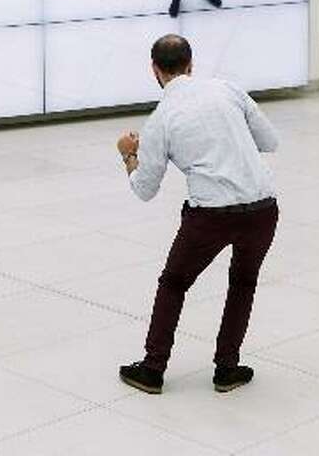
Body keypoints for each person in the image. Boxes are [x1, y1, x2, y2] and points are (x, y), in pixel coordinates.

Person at [115, 34, 279, 396]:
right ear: (192, 64)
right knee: (243, 282)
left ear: (154, 70)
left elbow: (145, 189)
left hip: (211, 216)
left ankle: (153, 369)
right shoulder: (228, 90)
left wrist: (129, 154)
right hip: (264, 209)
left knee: (173, 283)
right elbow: (270, 141)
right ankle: (227, 368)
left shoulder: (161, 119)